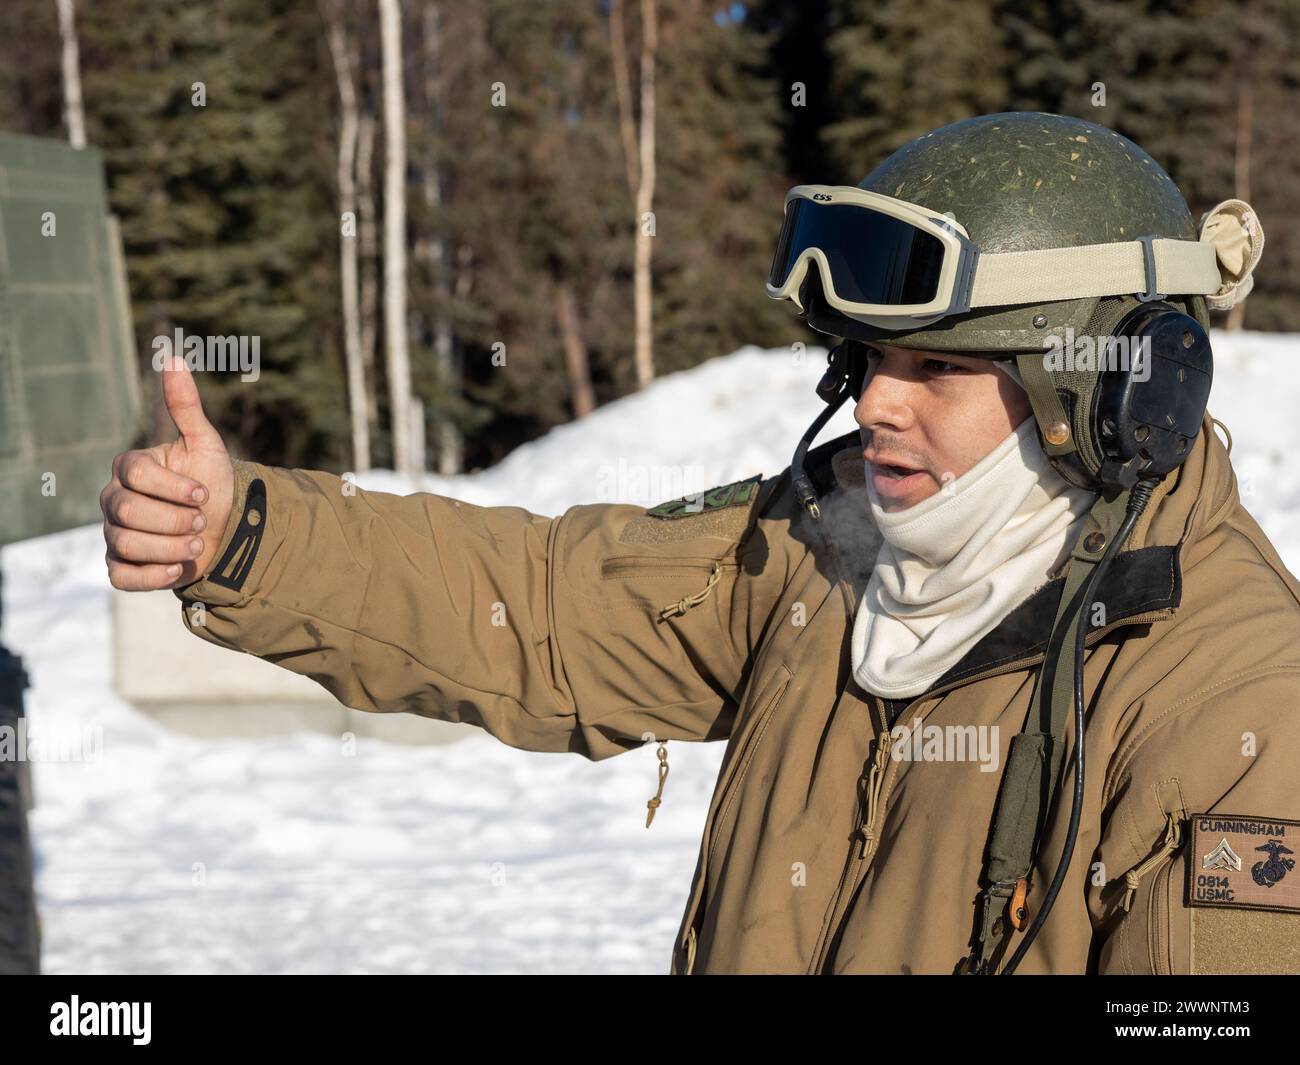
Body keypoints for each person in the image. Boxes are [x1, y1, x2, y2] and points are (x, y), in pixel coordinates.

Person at [100, 111, 1299, 974]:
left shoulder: (1233, 704)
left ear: (1117, 393)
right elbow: (549, 608)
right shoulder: (824, 550)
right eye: (870, 362)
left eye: (940, 367)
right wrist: (248, 533)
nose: (882, 404)